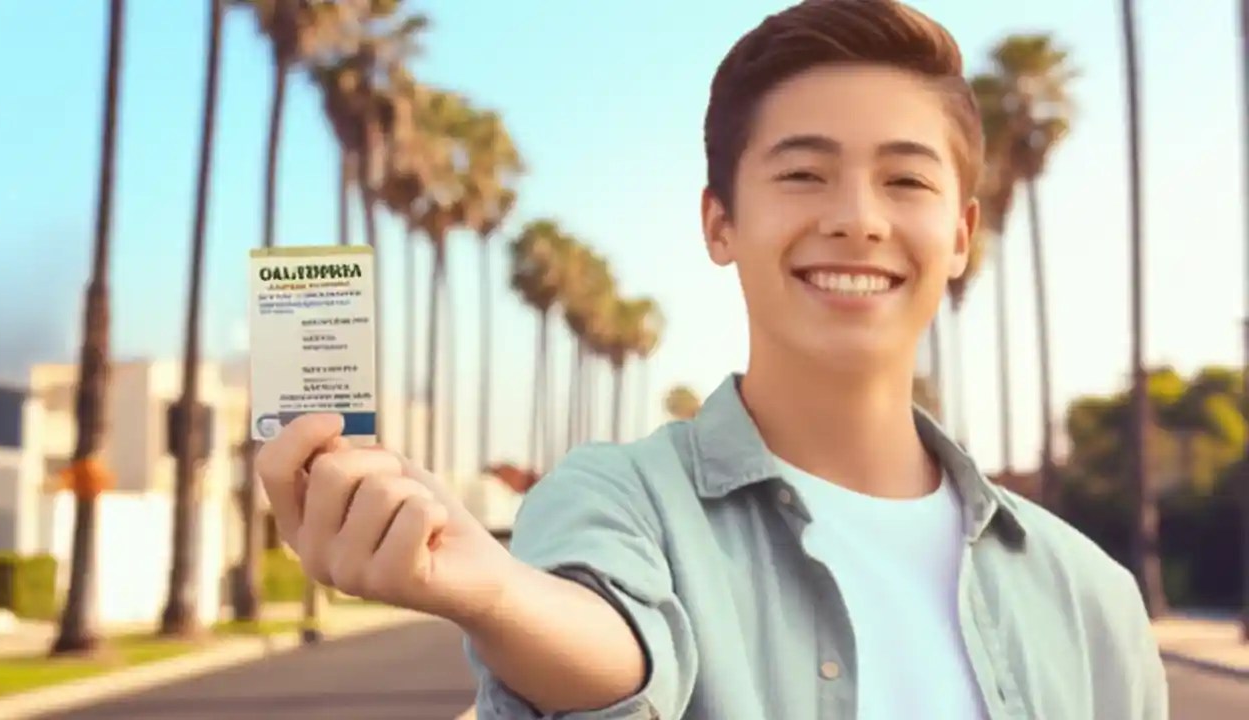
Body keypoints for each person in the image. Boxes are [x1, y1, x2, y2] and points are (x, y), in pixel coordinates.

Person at [253, 1, 1169, 718]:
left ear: (961, 234)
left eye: (906, 179)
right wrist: (492, 594)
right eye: (803, 173)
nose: (857, 216)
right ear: (719, 222)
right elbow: (619, 645)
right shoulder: (613, 498)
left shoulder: (1093, 598)